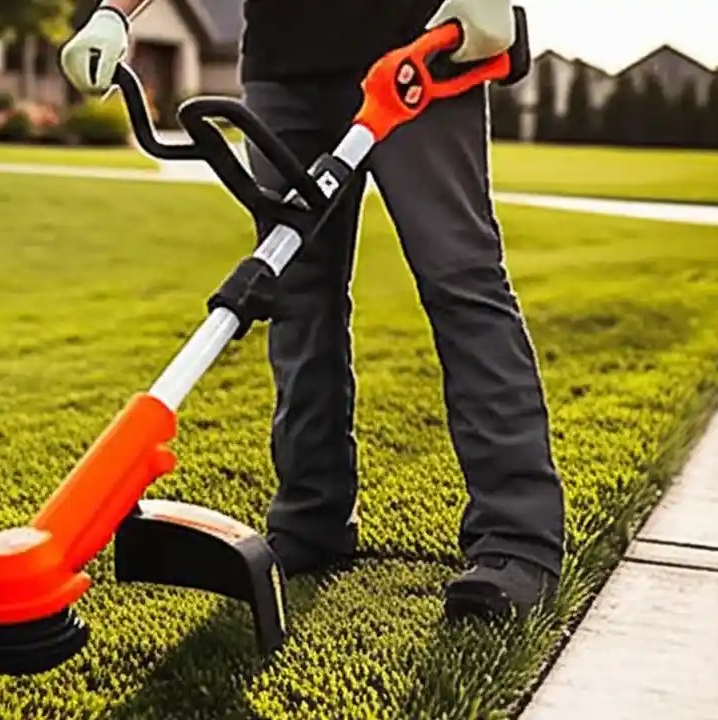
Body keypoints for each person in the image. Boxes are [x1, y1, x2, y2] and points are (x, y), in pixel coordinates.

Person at [59, 0, 564, 621]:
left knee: (461, 281)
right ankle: (310, 518)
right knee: (297, 297)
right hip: (284, 66)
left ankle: (518, 538)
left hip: (417, 48)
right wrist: (114, 13)